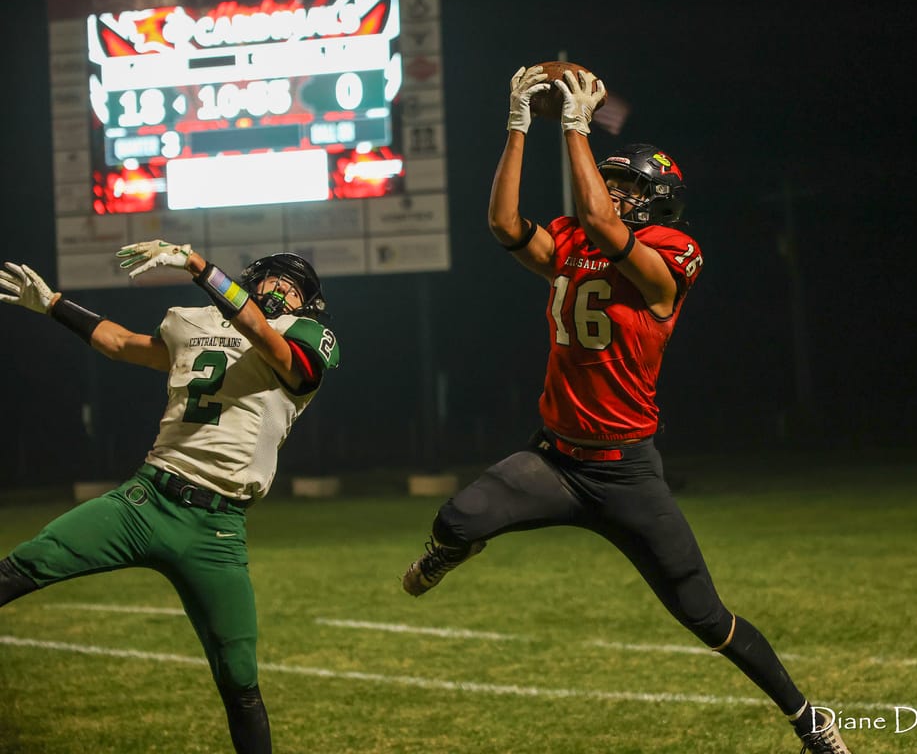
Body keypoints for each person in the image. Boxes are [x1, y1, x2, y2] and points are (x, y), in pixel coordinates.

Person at [400, 63, 852, 753]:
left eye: (631, 186)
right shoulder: (577, 240)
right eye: (613, 181)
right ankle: (451, 553)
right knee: (454, 521)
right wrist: (517, 127)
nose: (615, 191)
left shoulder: (673, 253)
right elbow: (503, 223)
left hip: (625, 473)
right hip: (554, 459)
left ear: (660, 201)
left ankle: (807, 718)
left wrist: (576, 128)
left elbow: (605, 227)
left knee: (705, 617)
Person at [0, 243, 340, 754]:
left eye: (295, 290)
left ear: (306, 306)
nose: (283, 292)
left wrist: (200, 268)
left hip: (217, 529)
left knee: (240, 677)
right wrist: (53, 304)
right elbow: (121, 343)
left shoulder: (301, 339)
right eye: (275, 279)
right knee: (27, 563)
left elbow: (260, 333)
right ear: (253, 279)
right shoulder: (194, 321)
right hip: (146, 499)